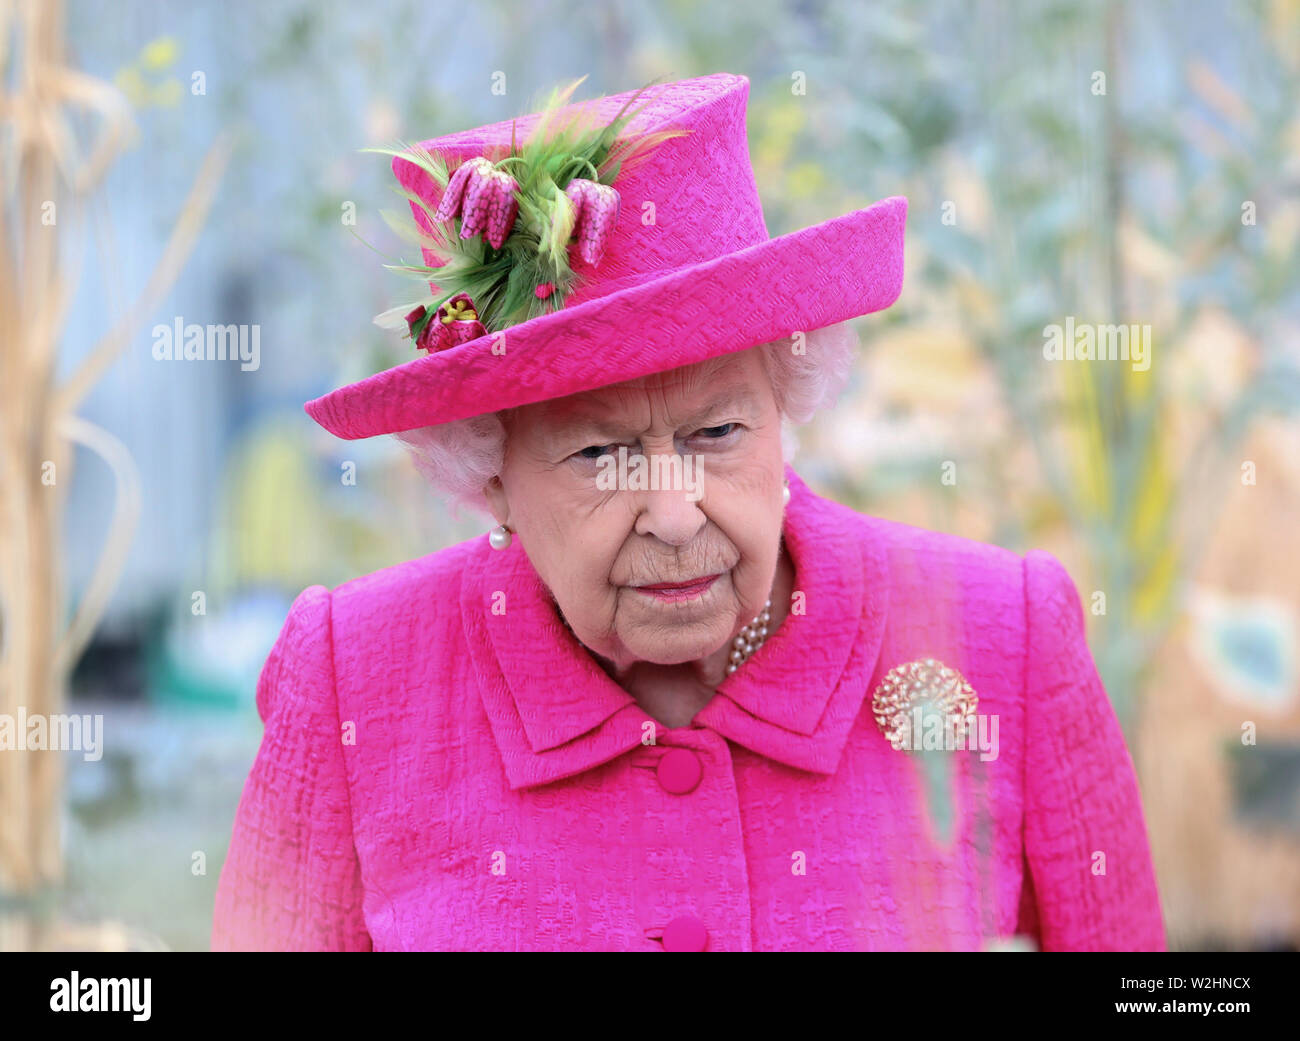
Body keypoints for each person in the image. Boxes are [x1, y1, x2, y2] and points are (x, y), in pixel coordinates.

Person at [210, 72, 1166, 952]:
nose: (673, 514)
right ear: (489, 468)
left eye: (717, 433)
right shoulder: (357, 679)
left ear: (785, 403)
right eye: (598, 452)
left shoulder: (1001, 638)